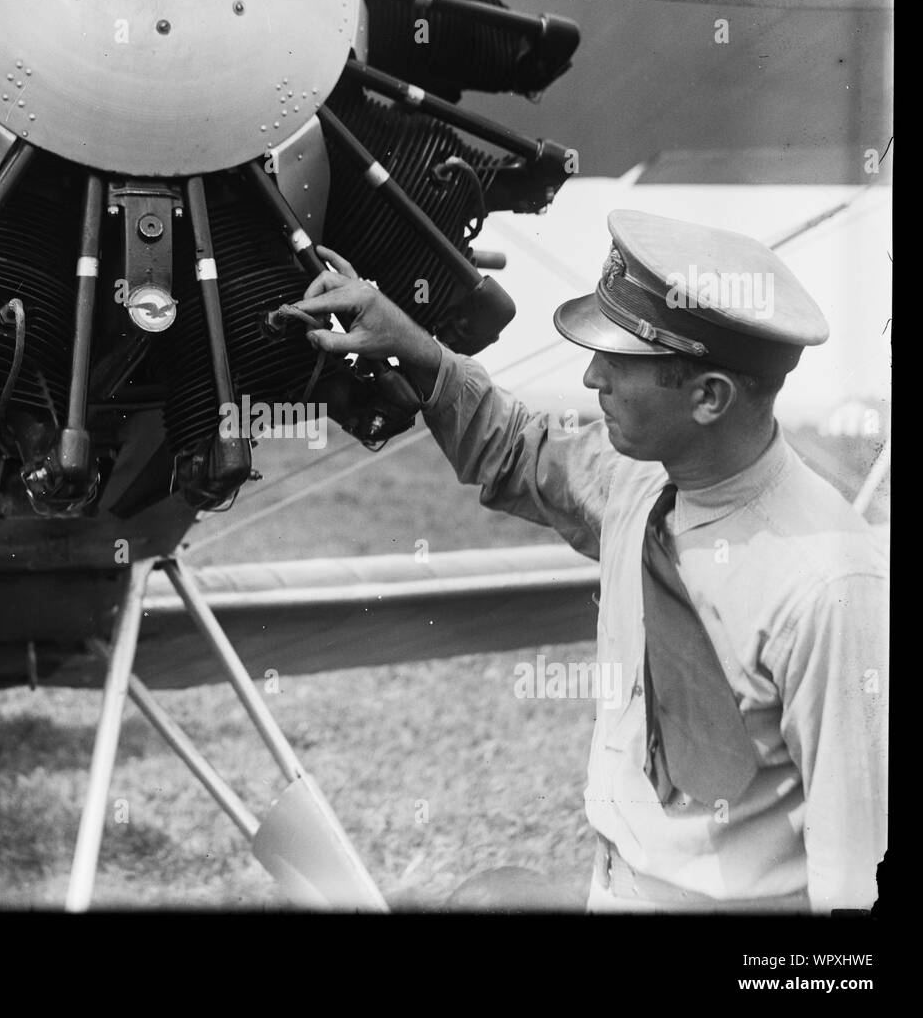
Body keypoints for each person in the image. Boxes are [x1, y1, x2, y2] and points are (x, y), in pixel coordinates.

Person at [295, 210, 888, 913]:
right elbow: (515, 449)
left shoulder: (835, 589)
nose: (588, 375)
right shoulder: (641, 477)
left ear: (709, 397)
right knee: (485, 899)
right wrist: (417, 350)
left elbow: (856, 881)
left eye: (619, 361)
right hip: (616, 888)